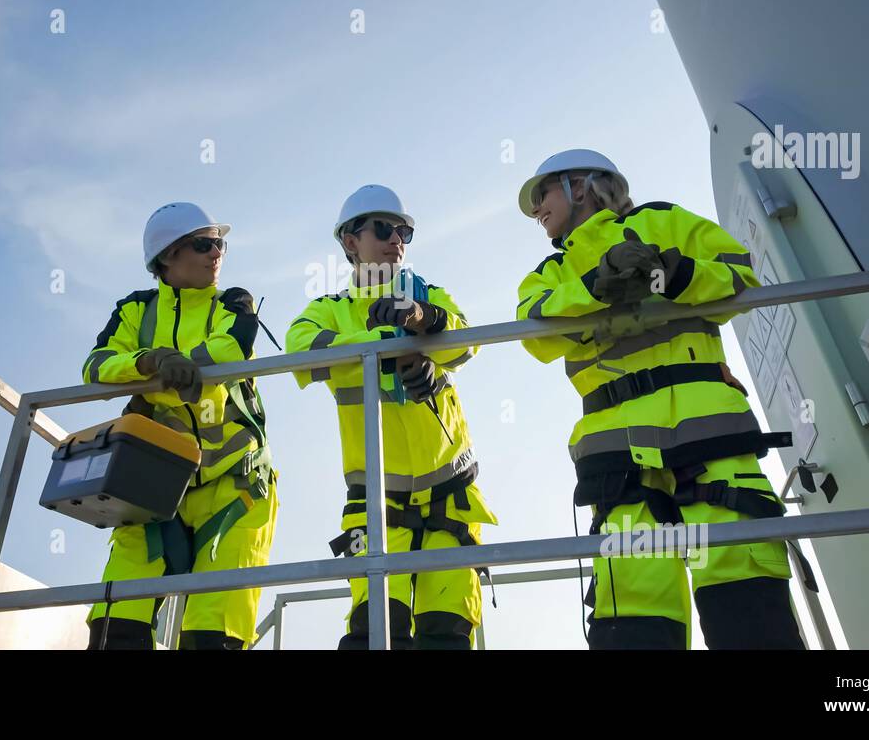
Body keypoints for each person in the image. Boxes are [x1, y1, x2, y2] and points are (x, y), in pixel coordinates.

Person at [514, 149, 805, 649]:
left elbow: (740, 272)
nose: (537, 209)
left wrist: (674, 274)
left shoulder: (664, 221)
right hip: (619, 462)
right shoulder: (552, 271)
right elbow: (535, 328)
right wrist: (598, 283)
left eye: (542, 195)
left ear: (577, 186)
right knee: (634, 617)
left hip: (707, 438)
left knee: (745, 598)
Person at [286, 184, 497, 649]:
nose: (395, 238)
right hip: (376, 507)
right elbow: (301, 350)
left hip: (451, 501)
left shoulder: (431, 297)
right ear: (349, 242)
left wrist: (422, 320)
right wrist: (377, 348)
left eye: (403, 230)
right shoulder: (331, 311)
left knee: (447, 637)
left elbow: (468, 342)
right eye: (383, 228)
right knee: (375, 635)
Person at [81, 201, 278, 650]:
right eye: (205, 243)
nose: (217, 253)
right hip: (155, 486)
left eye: (220, 243)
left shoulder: (234, 301)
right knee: (116, 627)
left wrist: (179, 367)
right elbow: (95, 366)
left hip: (236, 487)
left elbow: (234, 347)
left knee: (214, 635)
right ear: (167, 256)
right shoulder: (134, 311)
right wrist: (149, 360)